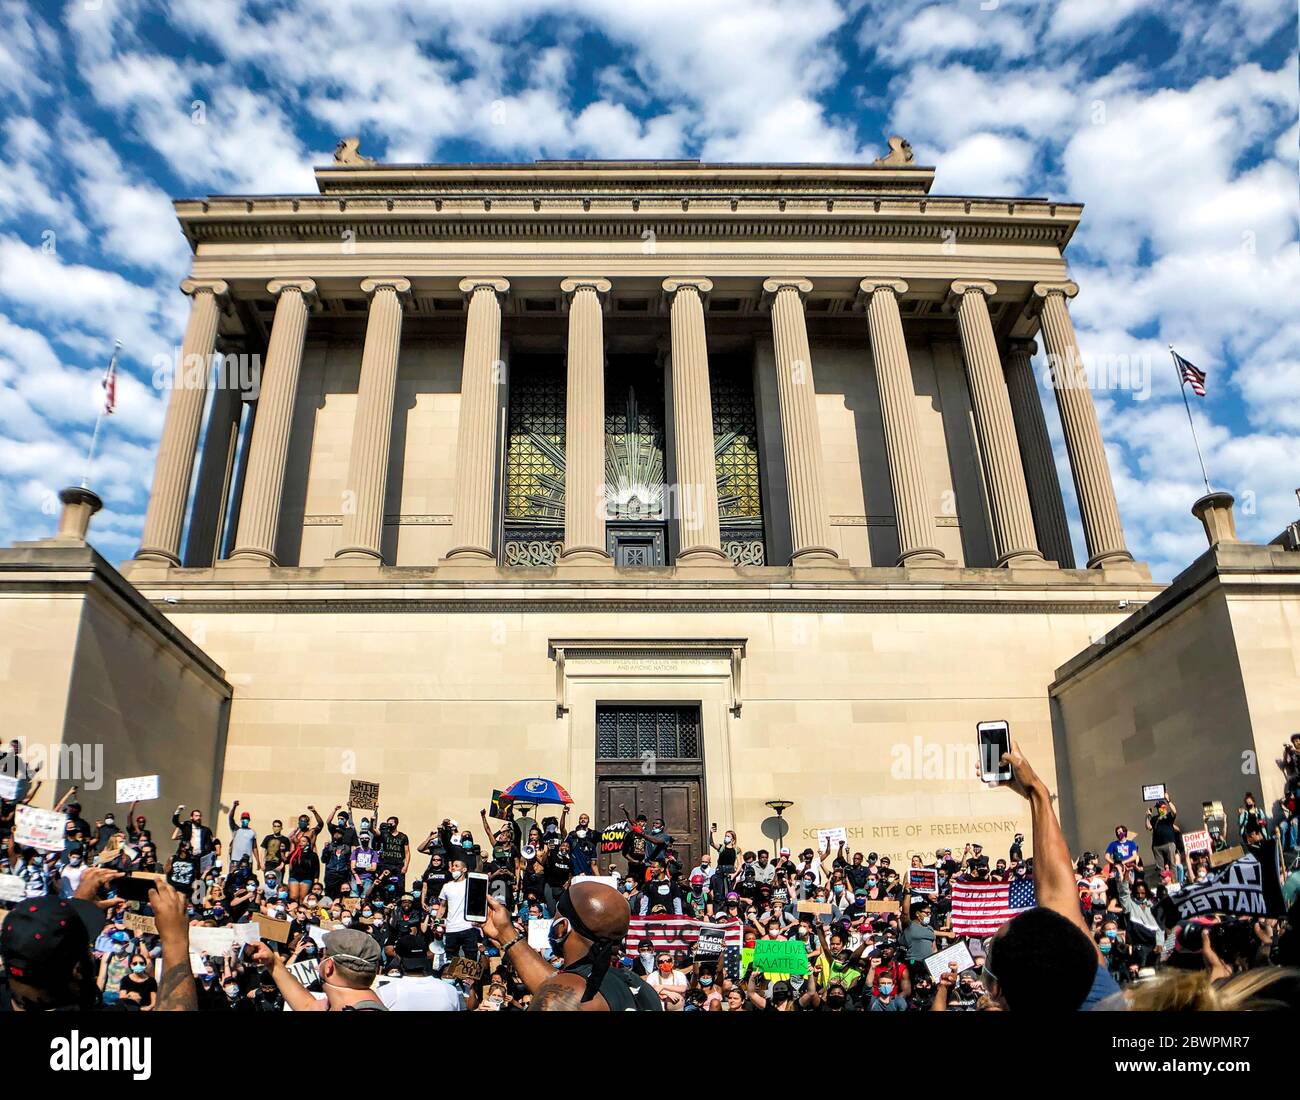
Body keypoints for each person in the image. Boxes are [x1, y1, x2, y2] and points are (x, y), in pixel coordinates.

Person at [966, 742, 1118, 1013]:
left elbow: (1057, 903)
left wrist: (1038, 795)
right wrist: (1037, 791)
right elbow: (1058, 901)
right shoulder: (1096, 997)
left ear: (996, 991)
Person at [481, 879, 661, 1011]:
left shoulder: (556, 1001)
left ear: (562, 927)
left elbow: (560, 994)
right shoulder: (642, 989)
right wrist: (505, 933)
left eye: (556, 916)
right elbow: (556, 984)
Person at [250, 928, 386, 1011]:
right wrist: (272, 962)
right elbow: (306, 1005)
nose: (318, 963)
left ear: (329, 967)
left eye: (323, 956)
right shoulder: (334, 1004)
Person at [435, 858, 480, 960]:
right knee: (451, 960)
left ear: (464, 869)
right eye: (452, 866)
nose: (453, 868)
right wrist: (437, 921)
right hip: (451, 928)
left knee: (471, 959)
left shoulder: (471, 884)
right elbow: (442, 906)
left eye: (456, 866)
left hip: (468, 927)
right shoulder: (447, 886)